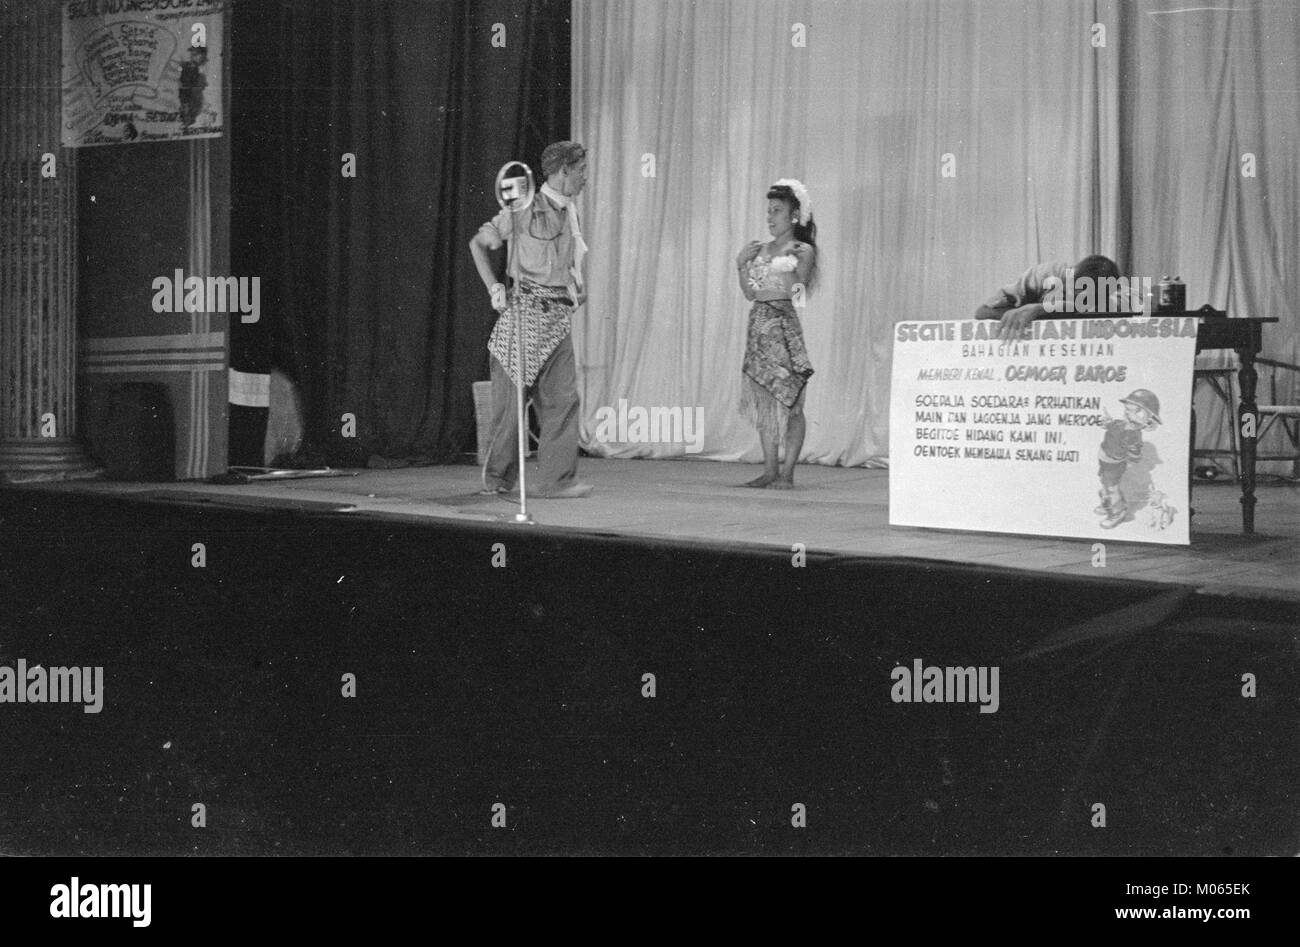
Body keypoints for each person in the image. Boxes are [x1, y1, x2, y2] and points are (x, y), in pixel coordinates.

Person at [468, 141, 593, 499]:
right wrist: (494, 287)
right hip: (524, 317)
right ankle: (496, 482)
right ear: (564, 170)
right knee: (509, 413)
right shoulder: (524, 207)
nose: (586, 177)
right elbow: (479, 243)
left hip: (557, 319)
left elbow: (566, 264)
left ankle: (558, 481)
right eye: (581, 169)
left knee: (563, 402)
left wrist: (575, 287)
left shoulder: (571, 213)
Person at [735, 179, 818, 489]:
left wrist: (794, 267)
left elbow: (798, 297)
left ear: (794, 215)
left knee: (792, 402)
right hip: (758, 326)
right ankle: (770, 470)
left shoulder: (802, 249)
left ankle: (788, 473)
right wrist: (740, 264)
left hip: (783, 328)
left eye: (777, 211)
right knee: (765, 401)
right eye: (769, 211)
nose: (770, 217)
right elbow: (750, 293)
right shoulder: (760, 249)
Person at [975, 255, 1123, 341]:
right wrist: (1023, 314)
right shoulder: (1043, 276)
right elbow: (983, 312)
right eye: (1078, 293)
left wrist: (1041, 310)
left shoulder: (1111, 296)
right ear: (1072, 274)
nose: (1081, 304)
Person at [1095, 389, 1161, 529]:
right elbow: (1111, 426)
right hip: (1105, 460)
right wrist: (1106, 423)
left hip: (1114, 464)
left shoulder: (1133, 434)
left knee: (1111, 487)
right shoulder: (1120, 424)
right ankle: (1107, 504)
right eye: (1127, 410)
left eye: (1136, 412)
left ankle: (1117, 511)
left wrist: (1131, 460)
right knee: (1104, 483)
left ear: (1149, 420)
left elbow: (1134, 453)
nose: (1129, 414)